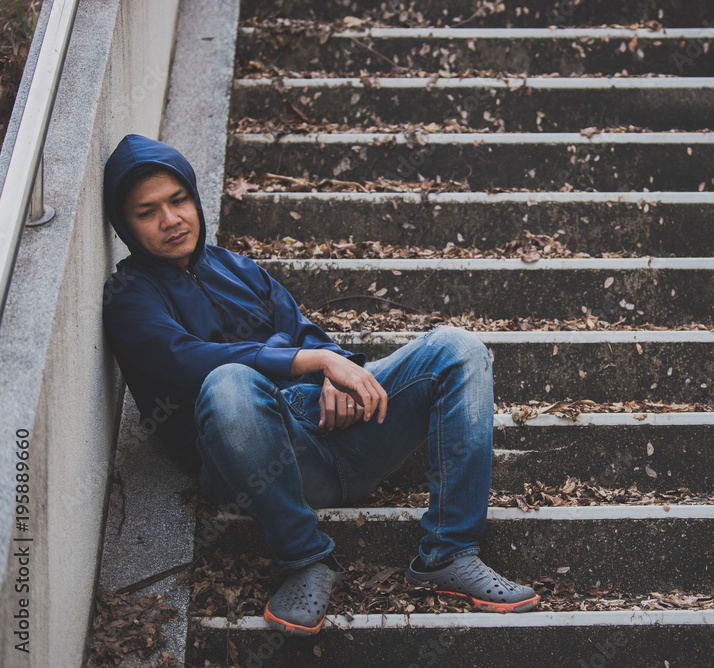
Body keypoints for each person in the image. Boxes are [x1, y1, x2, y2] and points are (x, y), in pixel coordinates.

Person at [102, 134, 539, 636]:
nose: (172, 220)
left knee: (456, 347)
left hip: (340, 437)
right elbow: (187, 360)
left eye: (178, 200)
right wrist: (310, 360)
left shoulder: (235, 267)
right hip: (252, 466)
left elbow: (307, 333)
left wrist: (337, 371)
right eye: (147, 211)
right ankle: (307, 559)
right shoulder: (128, 298)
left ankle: (449, 552)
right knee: (228, 382)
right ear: (125, 225)